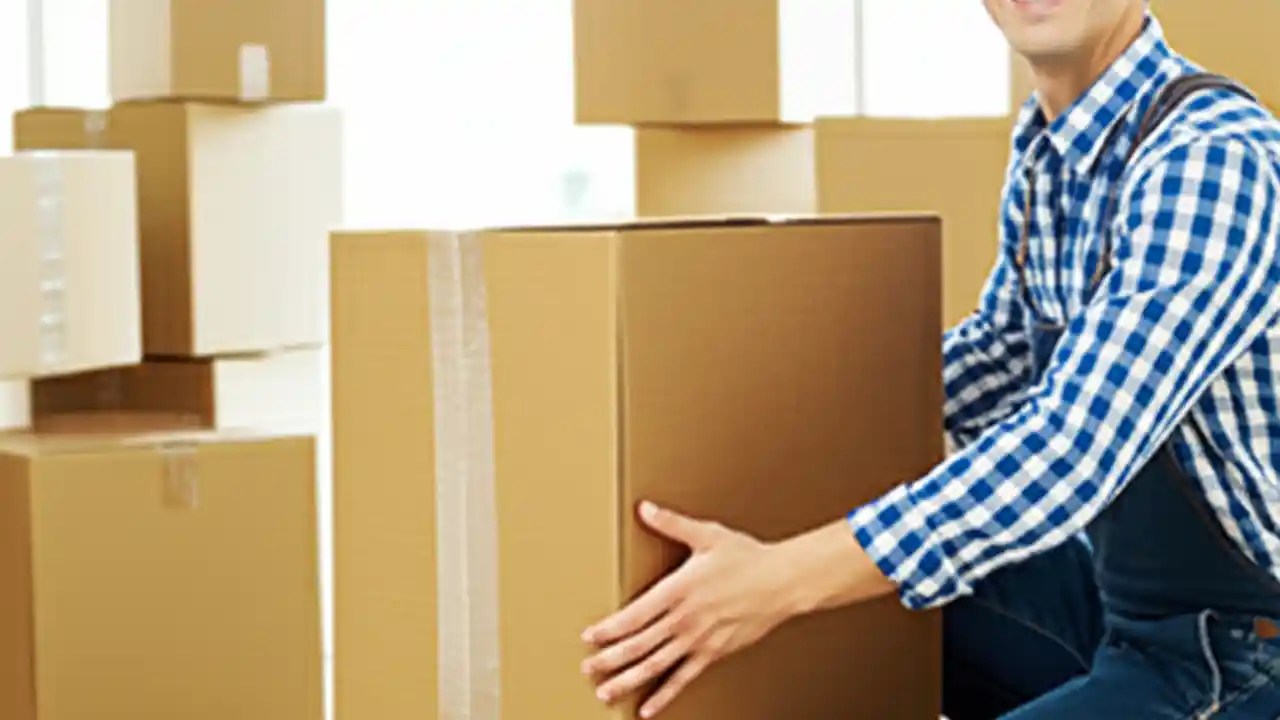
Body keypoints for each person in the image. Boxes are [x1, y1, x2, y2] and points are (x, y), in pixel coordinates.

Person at [579, 1, 1280, 717]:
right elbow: (998, 361)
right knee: (842, 577)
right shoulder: (1052, 152)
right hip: (1124, 616)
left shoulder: (1208, 159)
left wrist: (778, 579)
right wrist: (763, 460)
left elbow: (1069, 448)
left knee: (825, 575)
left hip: (1248, 652)